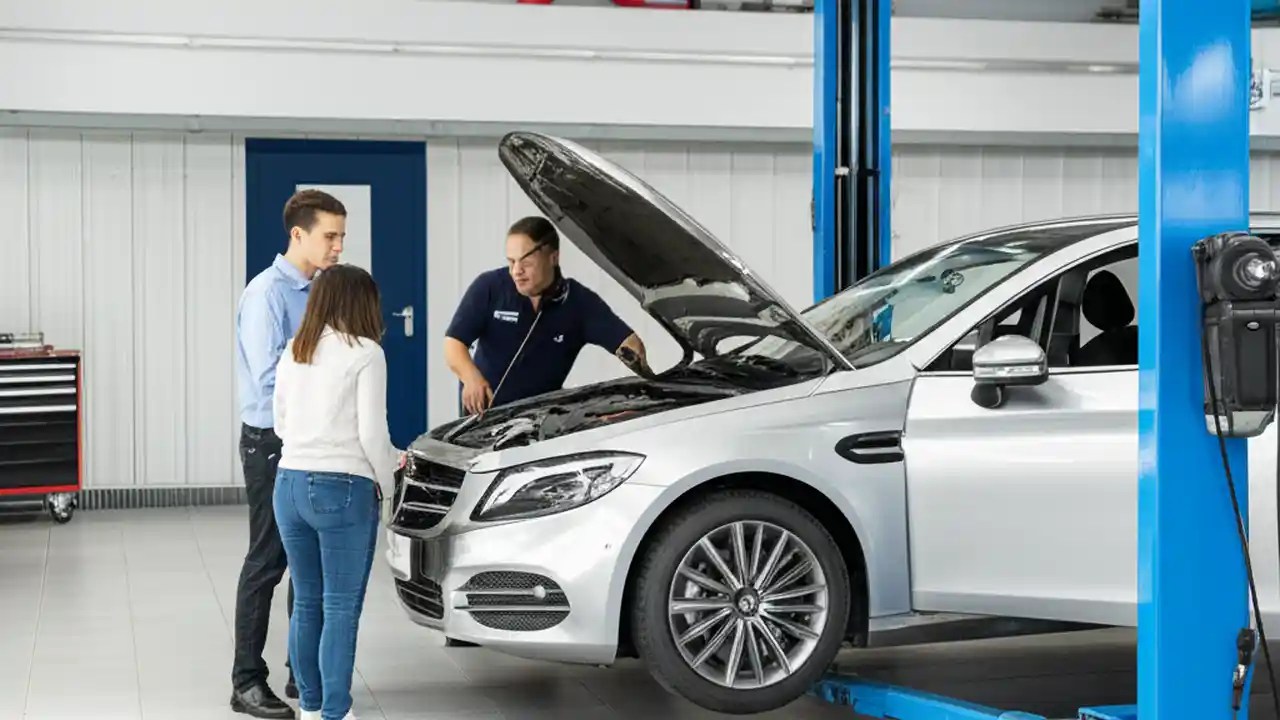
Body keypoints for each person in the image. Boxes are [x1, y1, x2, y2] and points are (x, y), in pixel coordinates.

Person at [233, 189, 346, 719]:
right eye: (331, 236)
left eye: (342, 236)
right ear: (298, 235)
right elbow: (268, 376)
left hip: (311, 438)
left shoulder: (322, 289)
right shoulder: (267, 295)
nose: (339, 247)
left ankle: (301, 673)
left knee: (308, 563)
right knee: (269, 560)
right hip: (272, 443)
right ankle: (246, 682)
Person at [272, 264, 402, 720]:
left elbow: (280, 423)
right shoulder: (367, 353)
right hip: (343, 489)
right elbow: (371, 434)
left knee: (306, 600)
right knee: (341, 607)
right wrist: (388, 485)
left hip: (288, 484)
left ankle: (311, 707)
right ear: (360, 303)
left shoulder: (295, 350)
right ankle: (334, 712)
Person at [444, 216, 651, 414]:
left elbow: (629, 343)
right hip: (482, 422)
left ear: (553, 257)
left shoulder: (579, 303)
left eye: (525, 262)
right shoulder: (489, 287)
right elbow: (453, 343)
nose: (517, 271)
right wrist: (471, 378)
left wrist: (649, 379)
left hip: (538, 431)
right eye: (511, 262)